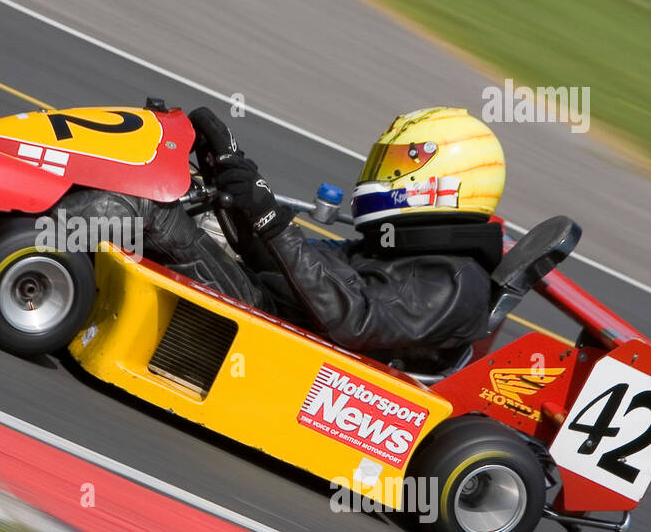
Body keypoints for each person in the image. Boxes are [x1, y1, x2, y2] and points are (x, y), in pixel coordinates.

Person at [61, 106, 507, 372]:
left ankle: (31, 249)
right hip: (275, 317)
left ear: (444, 185)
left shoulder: (455, 283)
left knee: (145, 211)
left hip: (289, 350)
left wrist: (271, 220)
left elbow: (352, 323)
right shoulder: (395, 247)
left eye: (394, 170)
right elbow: (287, 266)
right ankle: (42, 248)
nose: (380, 178)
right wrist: (239, 192)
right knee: (170, 196)